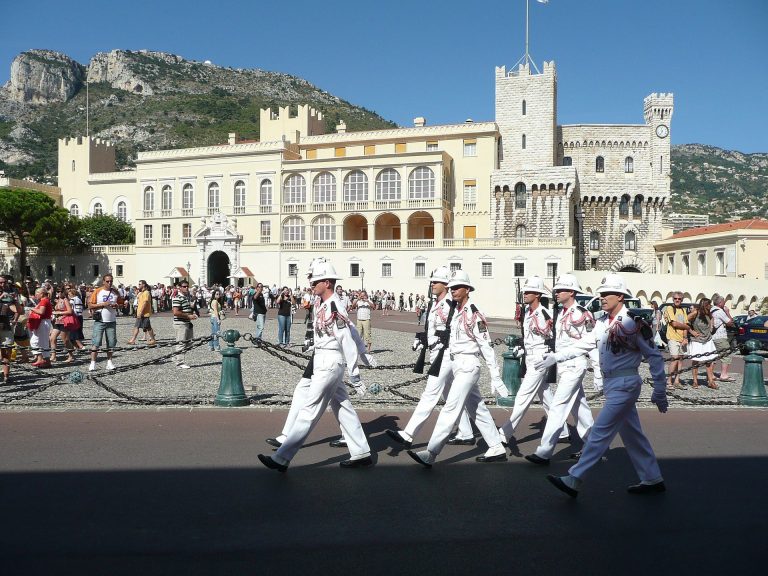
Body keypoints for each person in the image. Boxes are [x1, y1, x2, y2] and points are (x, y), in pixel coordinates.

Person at [547, 273, 669, 498]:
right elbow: (583, 344)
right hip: (612, 383)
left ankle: (575, 478)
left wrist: (660, 390)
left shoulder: (633, 322)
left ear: (620, 296)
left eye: (606, 294)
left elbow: (654, 356)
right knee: (633, 435)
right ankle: (652, 478)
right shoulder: (602, 322)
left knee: (600, 431)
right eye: (601, 294)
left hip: (626, 383)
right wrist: (556, 357)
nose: (602, 298)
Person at [258, 260, 372, 472]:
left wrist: (355, 374)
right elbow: (348, 330)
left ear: (327, 282)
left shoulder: (334, 305)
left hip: (329, 363)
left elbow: (346, 338)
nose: (312, 283)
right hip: (323, 359)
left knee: (309, 410)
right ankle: (361, 451)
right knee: (343, 407)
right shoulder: (324, 303)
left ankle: (282, 458)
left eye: (316, 280)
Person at [407, 270, 509, 467]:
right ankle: (496, 446)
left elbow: (486, 346)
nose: (452, 290)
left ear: (467, 289)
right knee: (477, 409)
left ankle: (431, 452)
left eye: (457, 287)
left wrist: (495, 376)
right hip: (457, 364)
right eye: (451, 287)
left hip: (468, 365)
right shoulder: (455, 311)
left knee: (450, 408)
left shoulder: (473, 313)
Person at [386, 266, 474, 449]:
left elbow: (455, 327)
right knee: (450, 393)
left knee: (430, 393)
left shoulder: (451, 303)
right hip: (437, 351)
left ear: (445, 284)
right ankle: (466, 432)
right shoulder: (434, 303)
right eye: (432, 281)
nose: (432, 284)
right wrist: (423, 338)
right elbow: (433, 328)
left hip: (446, 353)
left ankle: (409, 434)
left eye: (436, 281)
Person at [524, 274, 595, 465]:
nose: (556, 293)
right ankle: (594, 447)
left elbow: (592, 343)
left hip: (575, 365)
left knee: (558, 407)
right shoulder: (562, 312)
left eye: (561, 290)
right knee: (580, 408)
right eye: (556, 290)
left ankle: (544, 451)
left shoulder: (581, 313)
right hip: (564, 365)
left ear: (571, 292)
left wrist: (597, 371)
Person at [498, 276, 568, 446]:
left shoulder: (544, 313)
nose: (525, 294)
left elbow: (552, 338)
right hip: (530, 356)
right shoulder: (528, 312)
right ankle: (563, 430)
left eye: (528, 292)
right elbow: (530, 336)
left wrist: (548, 356)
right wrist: (523, 346)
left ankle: (505, 433)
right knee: (545, 396)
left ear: (537, 294)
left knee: (523, 396)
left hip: (540, 358)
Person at [88, 274, 119, 372]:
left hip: (111, 321)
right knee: (96, 342)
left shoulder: (115, 292)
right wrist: (103, 304)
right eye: (107, 281)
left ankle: (109, 362)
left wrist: (117, 306)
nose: (109, 283)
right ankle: (93, 363)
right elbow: (90, 305)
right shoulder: (98, 291)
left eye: (111, 281)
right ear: (103, 282)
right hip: (100, 320)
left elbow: (122, 303)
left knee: (111, 343)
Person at [687, 298, 718, 389]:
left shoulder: (709, 313)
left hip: (708, 339)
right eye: (709, 304)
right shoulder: (695, 312)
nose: (710, 306)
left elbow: (711, 320)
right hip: (697, 340)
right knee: (696, 361)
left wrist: (711, 327)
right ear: (705, 304)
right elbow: (685, 320)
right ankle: (695, 381)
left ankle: (710, 381)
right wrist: (691, 331)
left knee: (709, 361)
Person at [664, 292, 690, 388]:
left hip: (681, 338)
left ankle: (677, 380)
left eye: (679, 299)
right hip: (672, 337)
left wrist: (685, 337)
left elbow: (686, 326)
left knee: (680, 360)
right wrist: (687, 327)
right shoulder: (670, 308)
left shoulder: (683, 310)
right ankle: (669, 381)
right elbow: (674, 324)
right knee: (674, 359)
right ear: (673, 299)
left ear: (682, 300)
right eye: (675, 298)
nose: (677, 300)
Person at [172, 281, 197, 369]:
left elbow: (186, 309)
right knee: (181, 343)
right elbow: (175, 312)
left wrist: (191, 314)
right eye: (184, 286)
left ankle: (176, 357)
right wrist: (188, 315)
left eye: (187, 286)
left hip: (187, 322)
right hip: (180, 323)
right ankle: (180, 362)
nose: (186, 288)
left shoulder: (186, 298)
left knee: (190, 342)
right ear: (179, 287)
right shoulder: (177, 298)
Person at [711, 295, 735, 382]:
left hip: (712, 337)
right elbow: (730, 323)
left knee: (713, 356)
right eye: (724, 301)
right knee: (726, 355)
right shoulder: (720, 311)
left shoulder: (711, 310)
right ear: (721, 303)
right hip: (720, 337)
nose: (724, 303)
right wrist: (727, 312)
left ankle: (711, 375)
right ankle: (724, 375)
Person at [0, 277, 19, 383]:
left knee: (6, 351)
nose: (3, 284)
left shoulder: (8, 295)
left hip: (5, 327)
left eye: (4, 282)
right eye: (0, 282)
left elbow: (17, 310)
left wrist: (15, 300)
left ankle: (6, 376)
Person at [49, 286, 76, 363]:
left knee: (65, 340)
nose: (59, 293)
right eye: (57, 291)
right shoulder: (57, 300)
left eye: (61, 291)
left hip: (64, 321)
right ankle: (53, 356)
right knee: (52, 338)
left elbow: (70, 311)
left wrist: (59, 312)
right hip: (57, 321)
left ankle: (71, 356)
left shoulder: (65, 300)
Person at [127, 280, 157, 346]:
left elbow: (145, 303)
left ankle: (153, 339)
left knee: (148, 327)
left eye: (140, 284)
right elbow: (138, 300)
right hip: (140, 313)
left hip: (144, 313)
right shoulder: (141, 293)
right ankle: (133, 339)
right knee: (136, 326)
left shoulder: (146, 293)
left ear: (143, 285)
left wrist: (141, 312)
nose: (139, 285)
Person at [29, 287, 53, 368]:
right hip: (43, 322)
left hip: (43, 322)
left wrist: (31, 308)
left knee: (42, 342)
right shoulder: (44, 300)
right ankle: (41, 359)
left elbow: (41, 312)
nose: (36, 295)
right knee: (36, 341)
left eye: (37, 293)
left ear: (42, 294)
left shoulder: (44, 301)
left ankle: (46, 360)